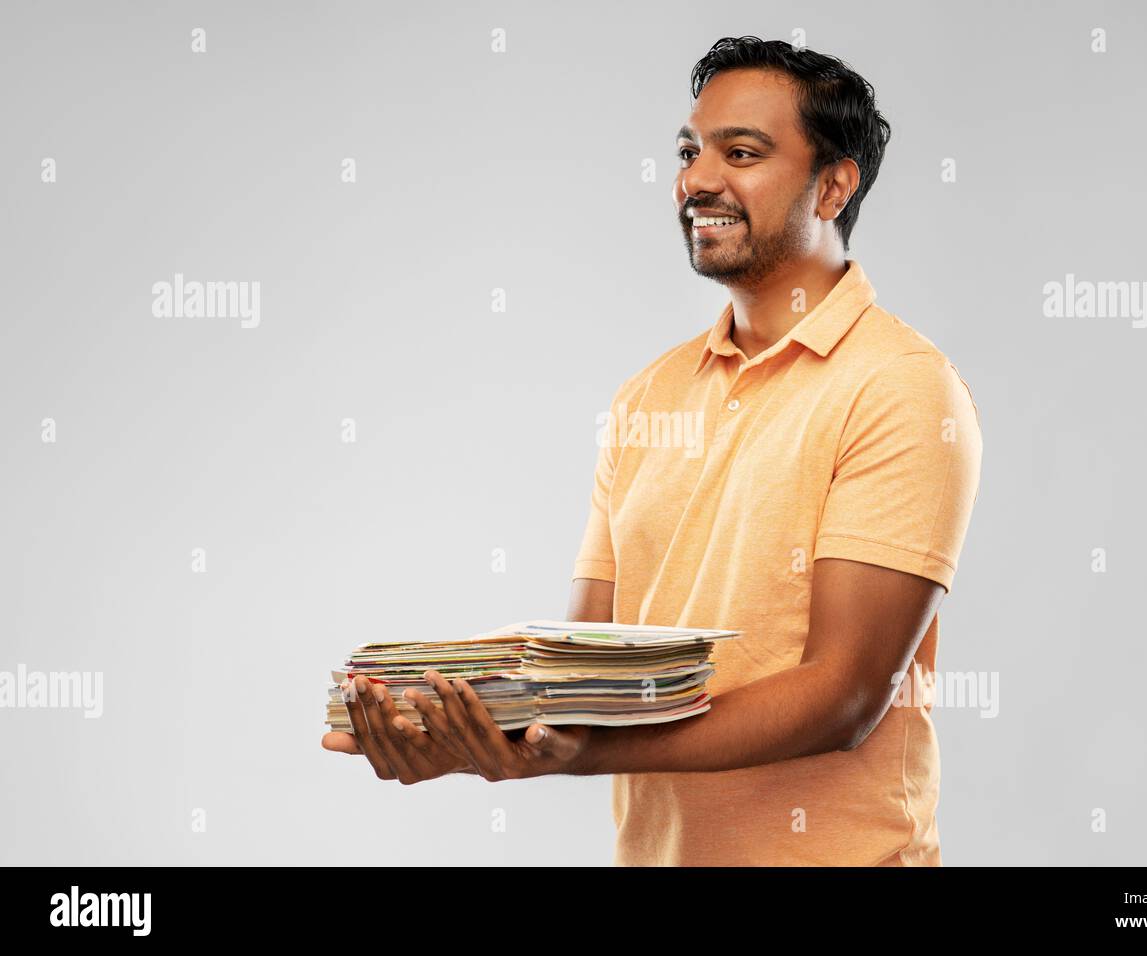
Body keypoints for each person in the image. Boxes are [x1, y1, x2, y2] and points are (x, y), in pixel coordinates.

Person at [323, 35, 982, 867]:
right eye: (688, 152)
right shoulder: (648, 397)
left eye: (741, 152)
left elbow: (844, 695)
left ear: (835, 183)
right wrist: (461, 734)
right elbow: (583, 669)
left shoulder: (901, 387)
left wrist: (580, 755)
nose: (697, 180)